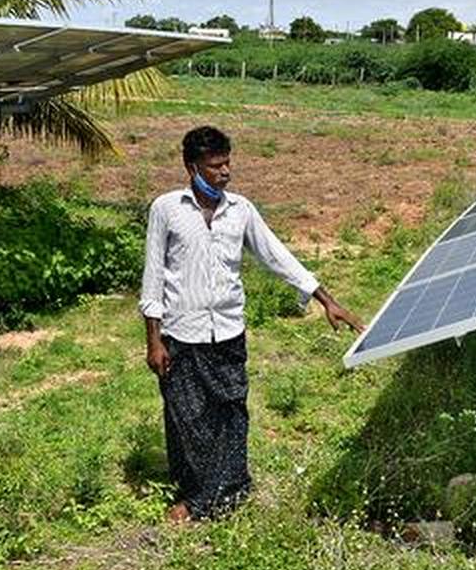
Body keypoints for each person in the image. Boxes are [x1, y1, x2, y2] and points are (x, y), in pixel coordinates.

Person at [138, 125, 362, 522]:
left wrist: (326, 300)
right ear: (191, 167)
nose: (225, 173)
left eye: (227, 164)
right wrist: (154, 340)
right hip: (180, 335)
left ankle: (225, 492)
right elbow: (153, 276)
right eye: (214, 166)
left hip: (227, 332)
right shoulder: (166, 209)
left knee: (231, 413)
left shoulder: (240, 210)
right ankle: (198, 493)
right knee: (188, 419)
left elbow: (277, 256)